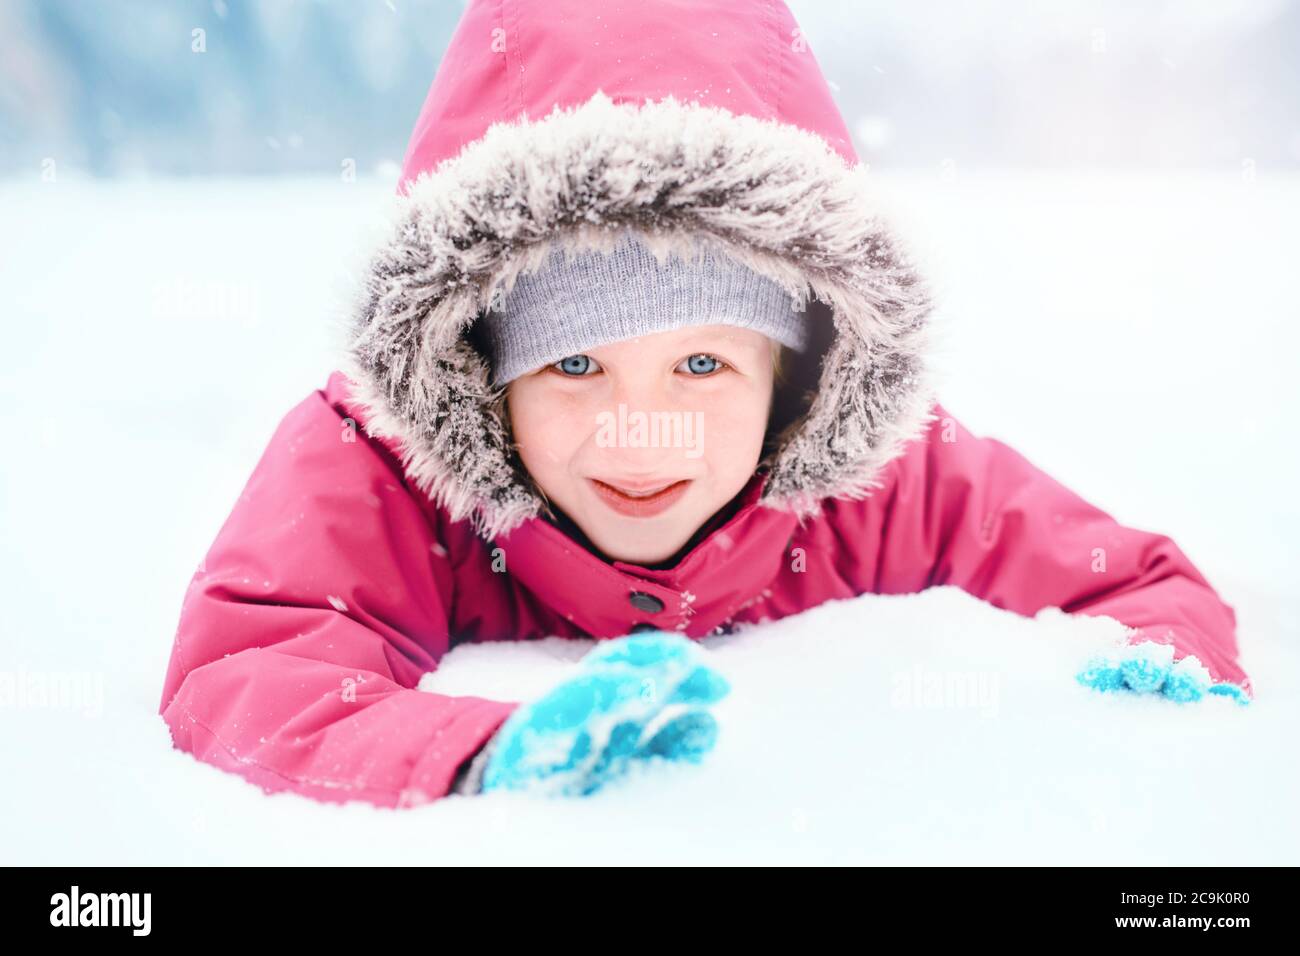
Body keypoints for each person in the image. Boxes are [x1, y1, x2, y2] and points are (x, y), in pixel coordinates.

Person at [158, 0, 1252, 809]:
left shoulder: (879, 479)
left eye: (701, 366)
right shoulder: (384, 465)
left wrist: (1150, 679)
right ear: (479, 368)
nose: (637, 429)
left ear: (795, 373)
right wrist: (482, 752)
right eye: (575, 366)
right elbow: (252, 667)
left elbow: (1136, 580)